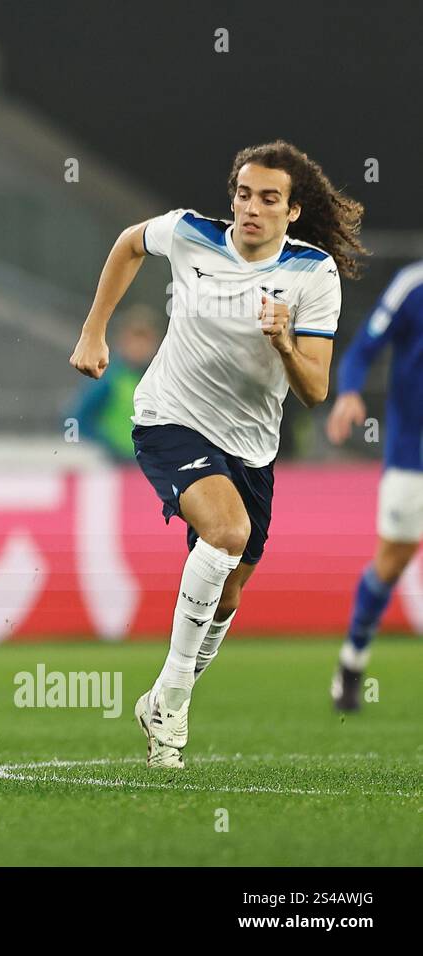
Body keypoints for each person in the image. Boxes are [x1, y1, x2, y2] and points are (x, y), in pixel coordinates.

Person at [70, 140, 365, 768]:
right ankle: (172, 703)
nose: (250, 208)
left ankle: (163, 697)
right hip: (169, 417)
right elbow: (129, 243)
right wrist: (95, 328)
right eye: (242, 194)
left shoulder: (313, 274)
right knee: (227, 531)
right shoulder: (188, 234)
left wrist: (285, 342)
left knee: (228, 595)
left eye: (268, 199)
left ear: (292, 211)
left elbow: (314, 390)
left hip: (252, 445)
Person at [325, 261, 423, 711]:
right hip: (412, 455)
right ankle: (352, 661)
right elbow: (364, 347)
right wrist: (348, 391)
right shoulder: (412, 285)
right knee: (392, 561)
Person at [66, 306, 160, 460]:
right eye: (135, 341)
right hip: (114, 463)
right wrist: (106, 445)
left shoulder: (158, 377)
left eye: (145, 341)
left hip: (149, 463)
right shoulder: (109, 377)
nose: (140, 347)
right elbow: (77, 417)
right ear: (123, 341)